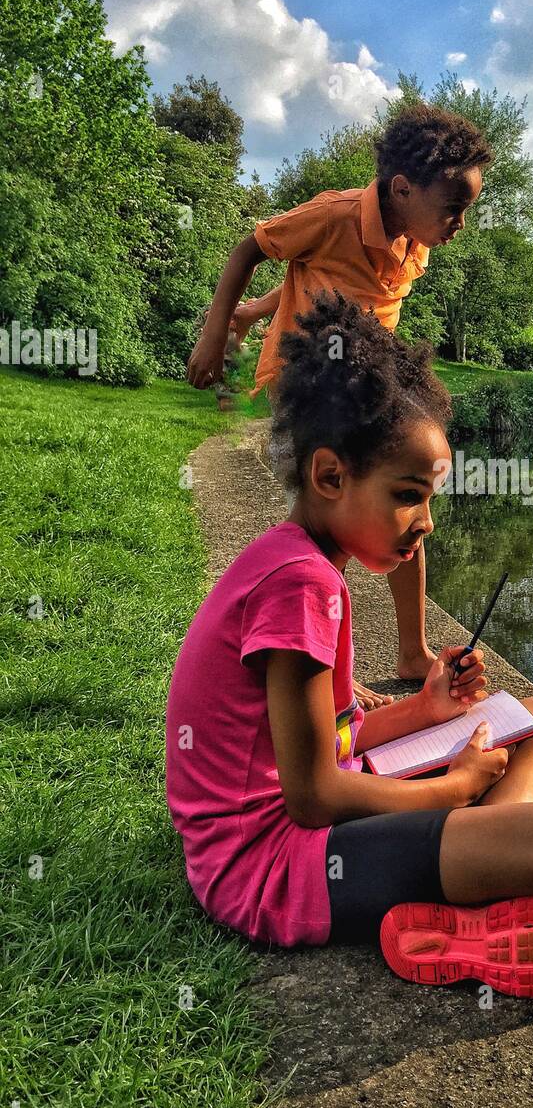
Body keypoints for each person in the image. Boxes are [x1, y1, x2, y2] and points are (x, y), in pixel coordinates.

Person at [166, 294, 533, 996]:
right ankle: (532, 831)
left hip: (306, 826)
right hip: (270, 869)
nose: (428, 523)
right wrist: (456, 788)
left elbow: (336, 742)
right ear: (329, 476)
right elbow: (315, 795)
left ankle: (529, 815)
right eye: (410, 495)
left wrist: (426, 708)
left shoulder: (301, 563)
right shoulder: (300, 588)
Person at [186, 103, 492, 713]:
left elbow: (314, 272)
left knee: (406, 505)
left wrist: (257, 309)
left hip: (371, 383)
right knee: (333, 526)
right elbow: (255, 247)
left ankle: (411, 650)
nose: (459, 224)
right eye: (452, 208)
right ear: (402, 188)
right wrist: (219, 329)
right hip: (312, 386)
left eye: (466, 210)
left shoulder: (415, 240)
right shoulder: (335, 214)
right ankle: (327, 668)